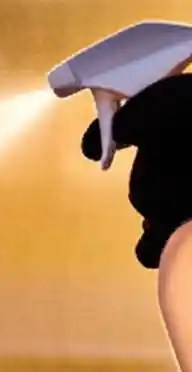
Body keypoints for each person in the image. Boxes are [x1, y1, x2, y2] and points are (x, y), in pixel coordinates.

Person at [81, 74, 192, 268]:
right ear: (146, 227)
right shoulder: (142, 198)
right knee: (92, 147)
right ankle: (136, 76)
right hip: (167, 99)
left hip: (175, 100)